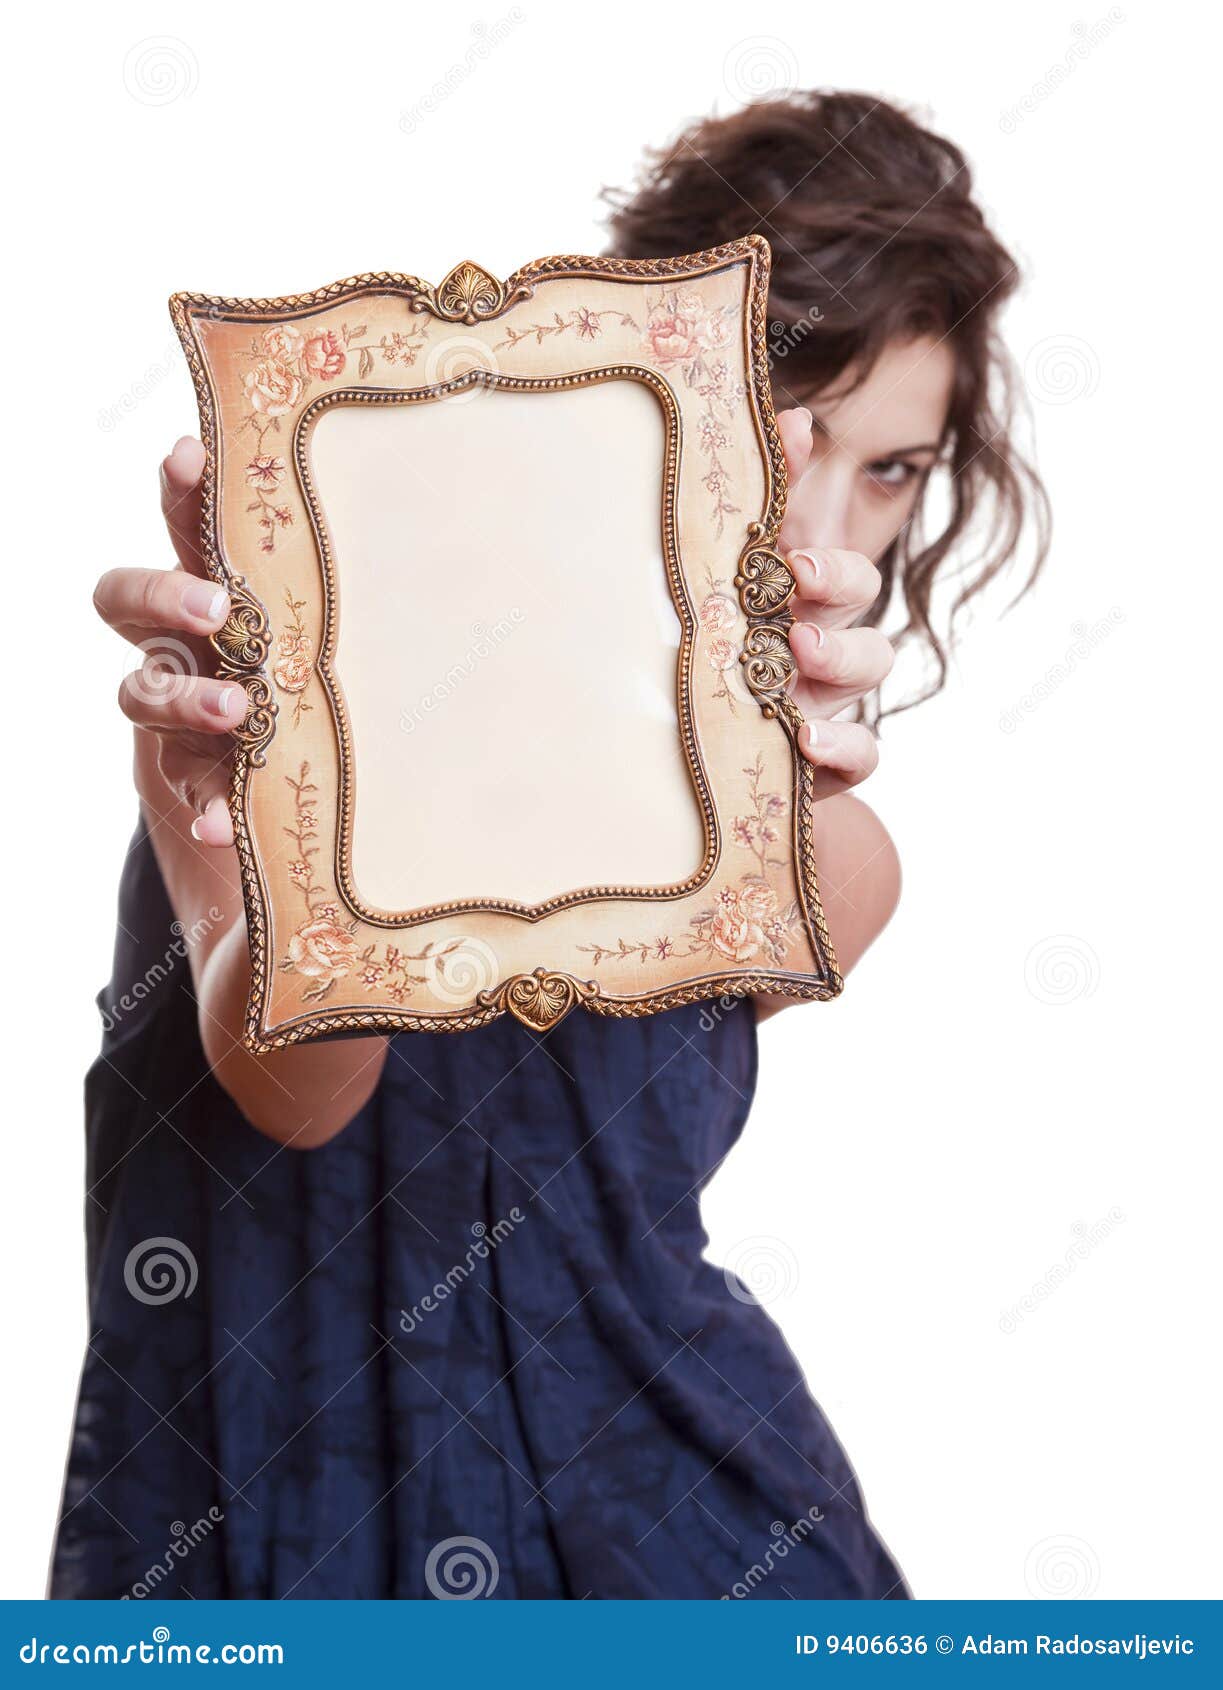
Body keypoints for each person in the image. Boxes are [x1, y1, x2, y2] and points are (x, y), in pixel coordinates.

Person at [54, 91, 1047, 1599]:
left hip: (681, 1545)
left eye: (894, 468)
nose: (828, 529)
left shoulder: (832, 851)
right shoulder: (289, 674)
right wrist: (335, 725)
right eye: (791, 437)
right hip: (268, 1542)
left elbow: (775, 868)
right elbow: (297, 1088)